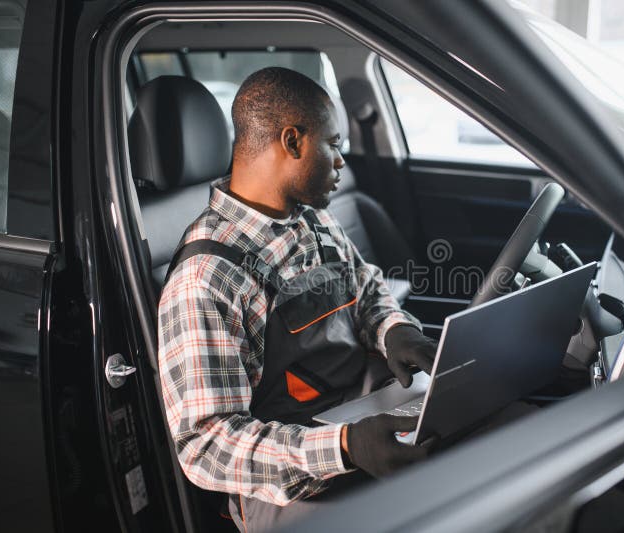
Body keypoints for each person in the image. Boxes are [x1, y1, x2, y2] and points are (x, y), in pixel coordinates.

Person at [157, 67, 437, 532]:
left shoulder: (311, 220)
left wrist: (394, 330)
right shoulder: (207, 277)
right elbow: (207, 446)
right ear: (292, 142)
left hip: (366, 415)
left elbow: (364, 287)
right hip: (293, 488)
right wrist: (344, 448)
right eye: (335, 145)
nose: (343, 163)